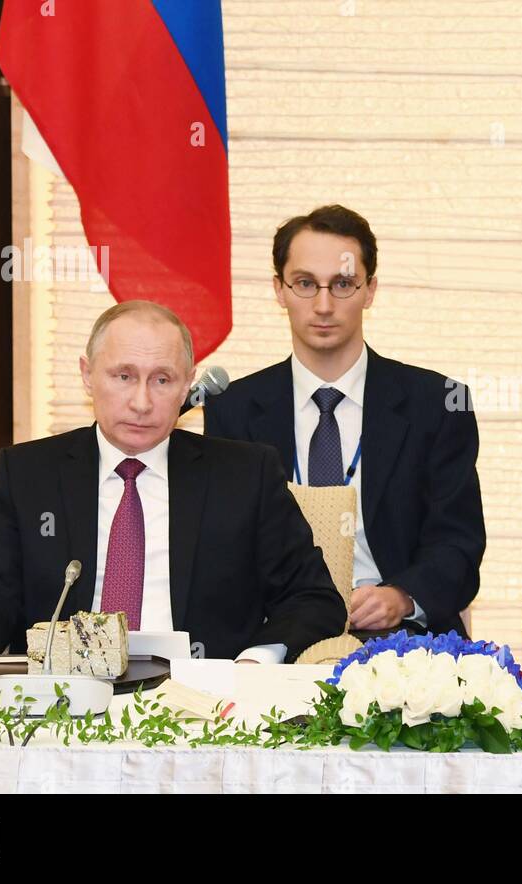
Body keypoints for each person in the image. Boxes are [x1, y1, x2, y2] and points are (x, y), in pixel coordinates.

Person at [0, 301, 346, 662]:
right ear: (88, 374)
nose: (141, 402)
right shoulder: (29, 473)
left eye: (162, 380)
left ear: (186, 387)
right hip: (64, 702)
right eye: (123, 376)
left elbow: (312, 599)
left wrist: (252, 664)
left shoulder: (245, 476)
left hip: (201, 707)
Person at [204, 205, 484, 637]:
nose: (323, 305)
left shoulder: (438, 405)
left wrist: (402, 597)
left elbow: (458, 545)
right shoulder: (234, 408)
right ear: (279, 290)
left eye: (343, 284)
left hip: (400, 639)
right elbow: (224, 548)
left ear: (370, 290)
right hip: (275, 636)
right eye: (304, 284)